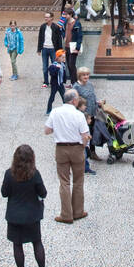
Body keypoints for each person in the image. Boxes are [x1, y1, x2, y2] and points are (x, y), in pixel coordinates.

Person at [2, 144, 48, 267]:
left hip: (15, 215)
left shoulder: (9, 174)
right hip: (32, 215)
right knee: (37, 243)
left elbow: (4, 193)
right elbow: (43, 193)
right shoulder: (35, 174)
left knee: (17, 245)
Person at [45, 89, 90, 224]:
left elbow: (47, 130)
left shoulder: (55, 112)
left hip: (61, 148)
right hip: (76, 148)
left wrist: (57, 129)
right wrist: (83, 146)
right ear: (74, 100)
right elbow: (85, 135)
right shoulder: (79, 115)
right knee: (78, 180)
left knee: (64, 182)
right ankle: (78, 211)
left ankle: (66, 214)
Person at [73, 67, 100, 174]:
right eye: (84, 75)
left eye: (87, 75)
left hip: (92, 114)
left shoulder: (90, 84)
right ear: (79, 76)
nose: (86, 77)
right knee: (83, 136)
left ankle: (92, 153)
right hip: (82, 116)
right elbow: (75, 102)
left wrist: (98, 102)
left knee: (92, 133)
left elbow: (93, 96)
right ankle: (82, 158)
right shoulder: (76, 87)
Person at [37, 10, 61, 89]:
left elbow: (59, 39)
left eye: (47, 17)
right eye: (45, 17)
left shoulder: (56, 27)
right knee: (45, 67)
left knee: (55, 66)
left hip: (53, 49)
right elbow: (40, 38)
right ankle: (46, 82)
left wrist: (60, 51)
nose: (46, 19)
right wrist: (39, 49)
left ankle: (54, 82)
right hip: (44, 49)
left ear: (52, 18)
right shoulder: (43, 27)